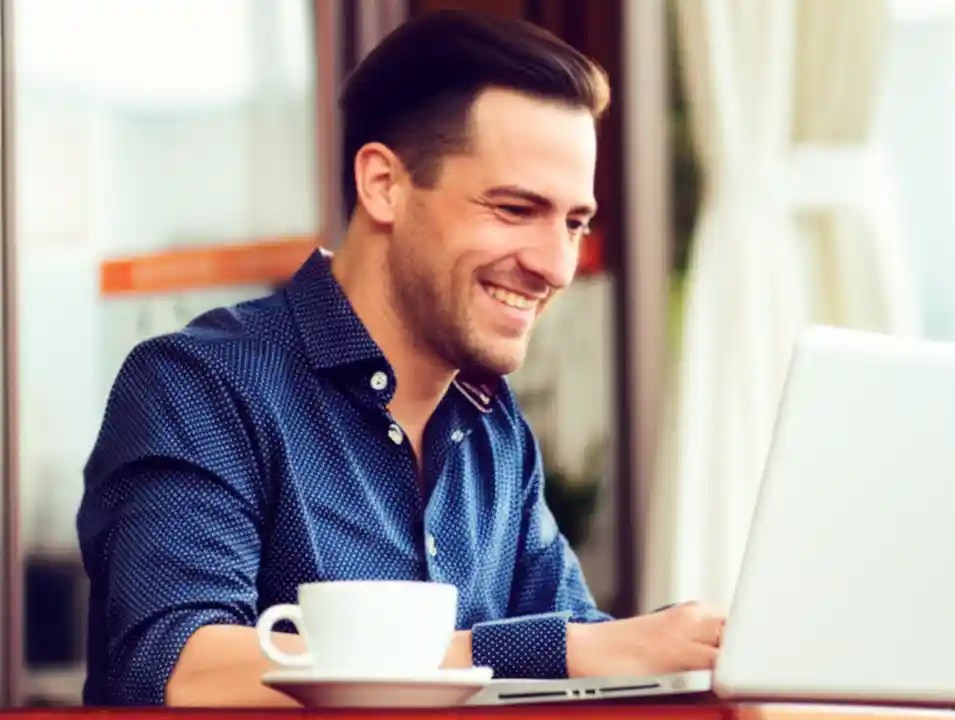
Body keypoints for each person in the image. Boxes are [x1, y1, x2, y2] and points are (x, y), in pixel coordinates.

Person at [76, 10, 724, 707]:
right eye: (514, 209)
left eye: (574, 223)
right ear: (384, 184)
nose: (556, 265)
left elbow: (589, 664)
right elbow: (180, 667)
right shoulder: (200, 387)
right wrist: (554, 649)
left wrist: (699, 655)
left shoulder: (495, 433)